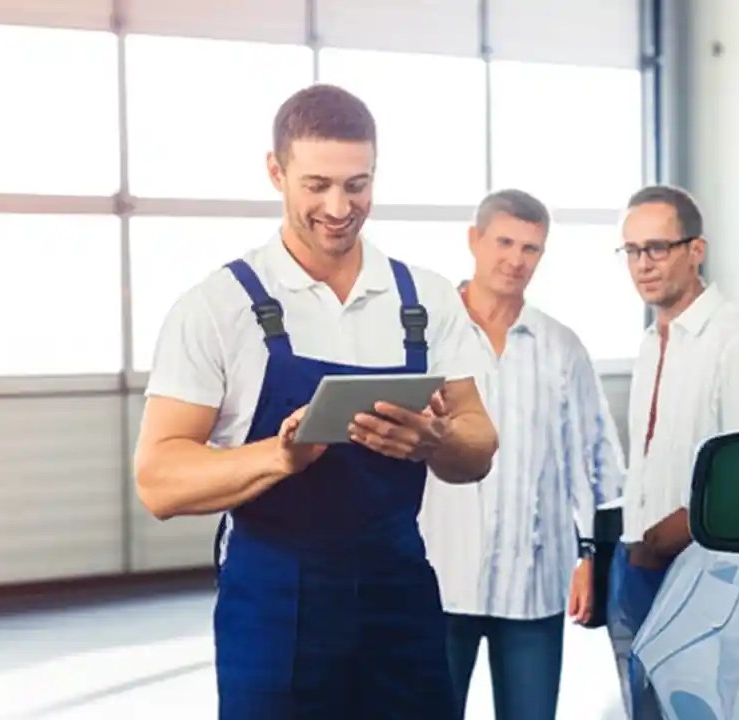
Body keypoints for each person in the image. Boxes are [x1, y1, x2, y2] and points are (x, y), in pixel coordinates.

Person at [132, 83, 498, 719]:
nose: (339, 207)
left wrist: (435, 440)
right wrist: (279, 458)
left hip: (398, 592)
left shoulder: (424, 299)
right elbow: (158, 481)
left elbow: (480, 447)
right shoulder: (218, 307)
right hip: (274, 600)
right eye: (317, 185)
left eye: (357, 185)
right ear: (276, 172)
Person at [418, 189, 627, 720]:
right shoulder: (427, 339)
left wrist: (591, 557)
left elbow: (594, 458)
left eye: (530, 248)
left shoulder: (562, 347)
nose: (516, 259)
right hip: (438, 579)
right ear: (475, 240)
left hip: (532, 583)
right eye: (504, 242)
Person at [607, 185, 739, 719]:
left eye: (657, 248)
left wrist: (663, 542)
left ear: (696, 250)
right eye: (632, 250)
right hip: (634, 564)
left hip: (697, 576)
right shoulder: (649, 343)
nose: (643, 264)